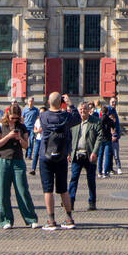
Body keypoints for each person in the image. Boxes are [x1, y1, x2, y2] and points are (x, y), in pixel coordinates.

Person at [36, 92, 81, 230]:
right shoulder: (66, 116)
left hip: (46, 155)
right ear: (61, 101)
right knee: (63, 189)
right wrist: (70, 104)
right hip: (61, 156)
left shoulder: (43, 116)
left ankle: (51, 220)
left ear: (49, 102)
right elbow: (78, 119)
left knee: (47, 190)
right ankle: (69, 218)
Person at [0, 103, 38, 229]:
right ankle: (6, 220)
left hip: (18, 161)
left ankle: (30, 218)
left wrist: (19, 138)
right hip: (2, 161)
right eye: (12, 118)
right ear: (7, 115)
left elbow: (26, 146)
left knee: (22, 190)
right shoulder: (0, 126)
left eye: (17, 118)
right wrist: (8, 136)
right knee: (3, 192)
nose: (14, 120)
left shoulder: (22, 127)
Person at [69, 102, 102, 210]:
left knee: (91, 180)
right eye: (81, 109)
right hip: (77, 154)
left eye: (85, 109)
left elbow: (99, 138)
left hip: (89, 155)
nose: (83, 111)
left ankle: (92, 202)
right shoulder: (74, 122)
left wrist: (95, 152)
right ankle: (71, 202)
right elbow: (69, 139)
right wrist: (68, 153)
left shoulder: (96, 122)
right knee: (74, 179)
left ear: (89, 110)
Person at [21, 98, 41, 174]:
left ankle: (29, 155)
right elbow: (23, 118)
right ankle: (27, 152)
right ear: (27, 102)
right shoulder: (25, 109)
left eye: (32, 101)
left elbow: (38, 118)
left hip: (32, 128)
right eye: (29, 101)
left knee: (32, 141)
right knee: (25, 141)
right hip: (26, 127)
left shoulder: (36, 110)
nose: (30, 102)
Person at [107, 97, 124, 175]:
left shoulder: (114, 110)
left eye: (115, 102)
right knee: (112, 153)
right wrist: (112, 134)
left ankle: (114, 168)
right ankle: (112, 168)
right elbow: (108, 124)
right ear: (110, 102)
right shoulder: (109, 110)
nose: (114, 103)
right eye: (112, 102)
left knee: (114, 153)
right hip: (112, 135)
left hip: (115, 135)